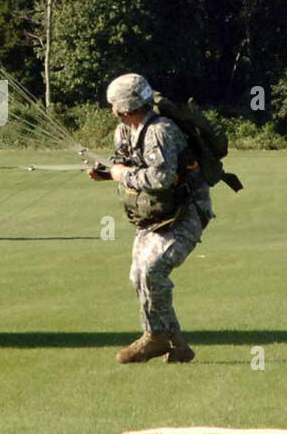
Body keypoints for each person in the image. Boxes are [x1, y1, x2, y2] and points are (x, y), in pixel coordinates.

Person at [87, 72, 212, 364]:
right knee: (138, 276)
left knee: (153, 270)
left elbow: (163, 177)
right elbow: (125, 163)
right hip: (155, 215)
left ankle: (155, 338)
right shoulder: (124, 132)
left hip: (185, 213)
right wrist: (106, 173)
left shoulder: (161, 131)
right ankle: (176, 344)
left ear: (122, 108)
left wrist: (122, 175)